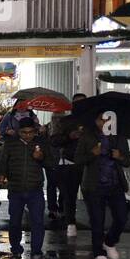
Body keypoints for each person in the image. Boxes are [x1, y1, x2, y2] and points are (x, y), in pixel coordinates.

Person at [75, 112, 130, 259]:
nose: (105, 122)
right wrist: (92, 154)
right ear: (95, 120)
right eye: (102, 119)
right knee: (97, 221)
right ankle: (98, 253)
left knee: (122, 218)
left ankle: (109, 241)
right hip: (94, 186)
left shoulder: (119, 137)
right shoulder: (87, 137)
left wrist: (120, 156)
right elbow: (78, 159)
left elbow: (128, 161)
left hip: (115, 185)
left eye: (108, 119)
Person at [0, 116, 48, 259]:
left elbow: (50, 162)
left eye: (31, 132)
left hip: (35, 189)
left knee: (37, 221)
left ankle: (37, 252)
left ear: (35, 131)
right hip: (15, 188)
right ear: (19, 131)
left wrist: (40, 157)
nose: (27, 135)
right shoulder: (10, 144)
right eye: (24, 132)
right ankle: (16, 250)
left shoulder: (40, 143)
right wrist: (1, 174)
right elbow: (3, 161)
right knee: (15, 222)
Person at [49, 94, 87, 236]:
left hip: (89, 163)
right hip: (69, 163)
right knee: (69, 195)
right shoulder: (65, 121)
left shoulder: (93, 121)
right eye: (77, 103)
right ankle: (70, 222)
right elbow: (54, 140)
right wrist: (69, 137)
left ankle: (96, 224)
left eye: (83, 103)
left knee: (92, 195)